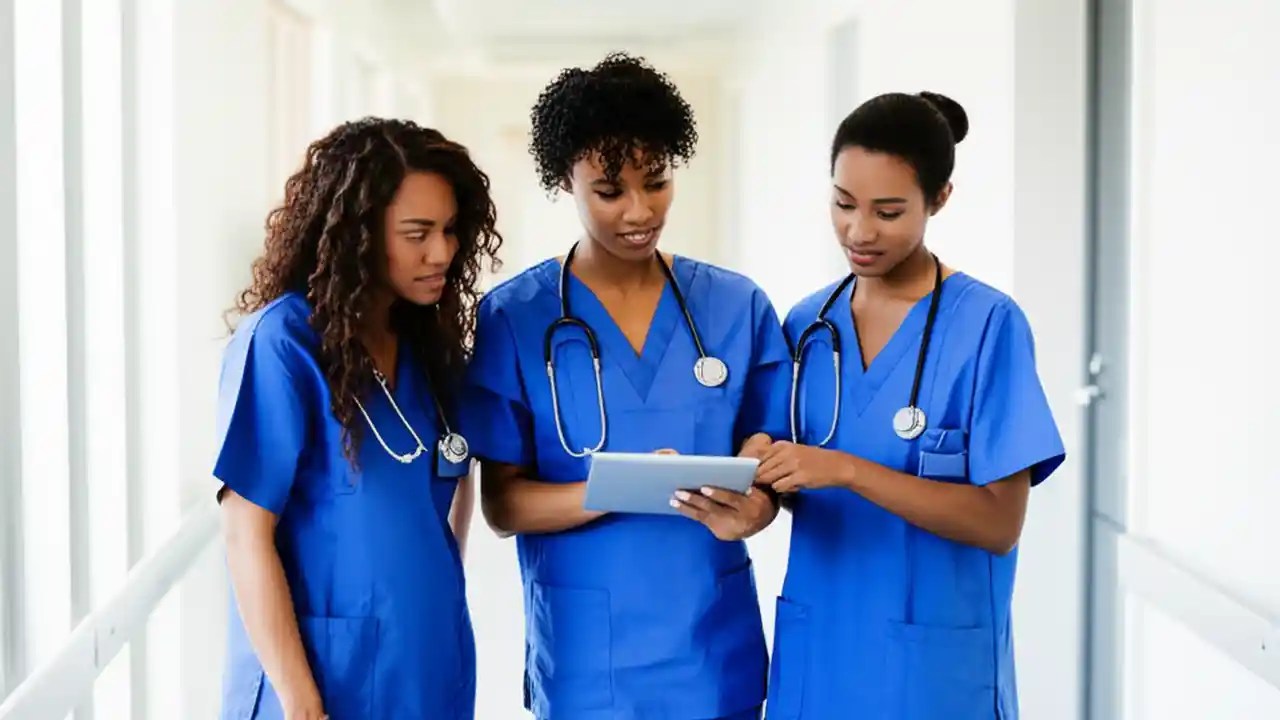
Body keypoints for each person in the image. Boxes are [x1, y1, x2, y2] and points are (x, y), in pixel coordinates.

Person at [458, 52, 789, 720]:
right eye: (610, 190)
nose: (640, 211)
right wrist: (618, 488)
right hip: (588, 657)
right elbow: (504, 506)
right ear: (566, 181)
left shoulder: (734, 306)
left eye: (658, 182)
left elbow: (768, 460)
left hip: (709, 645)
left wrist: (760, 508)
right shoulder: (517, 316)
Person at [756, 92, 1066, 720]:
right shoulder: (807, 324)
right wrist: (749, 484)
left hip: (933, 673)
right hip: (822, 656)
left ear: (939, 199)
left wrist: (847, 469)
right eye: (843, 204)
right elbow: (787, 478)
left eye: (888, 211)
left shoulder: (987, 326)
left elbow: (997, 523)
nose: (859, 231)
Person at [214, 118, 502, 720]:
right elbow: (246, 532)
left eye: (450, 231)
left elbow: (452, 484)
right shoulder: (284, 343)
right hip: (324, 674)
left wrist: (434, 595)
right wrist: (299, 700)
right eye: (417, 233)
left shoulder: (428, 346)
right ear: (358, 234)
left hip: (426, 664)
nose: (443, 252)